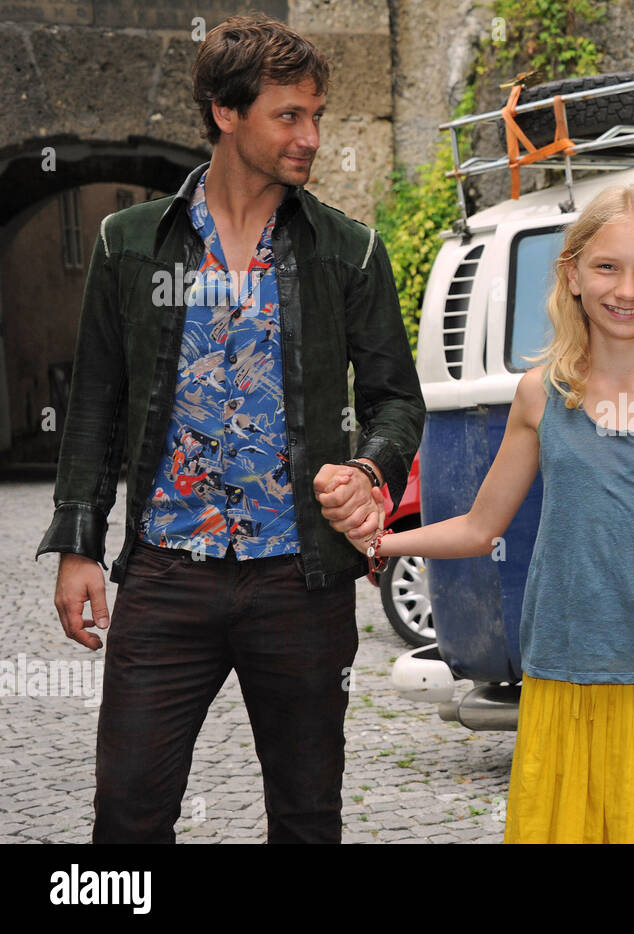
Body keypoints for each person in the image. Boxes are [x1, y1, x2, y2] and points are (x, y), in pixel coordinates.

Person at [37, 14, 424, 843]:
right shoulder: (130, 244)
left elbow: (398, 399)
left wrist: (370, 469)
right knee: (128, 816)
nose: (311, 136)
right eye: (290, 115)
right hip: (168, 575)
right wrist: (78, 544)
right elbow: (98, 402)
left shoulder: (348, 252)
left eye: (317, 115)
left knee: (308, 816)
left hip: (301, 579)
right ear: (225, 112)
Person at [355, 183, 634, 843]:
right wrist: (385, 541)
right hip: (563, 682)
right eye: (607, 266)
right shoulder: (541, 396)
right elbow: (479, 526)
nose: (626, 289)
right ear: (572, 273)